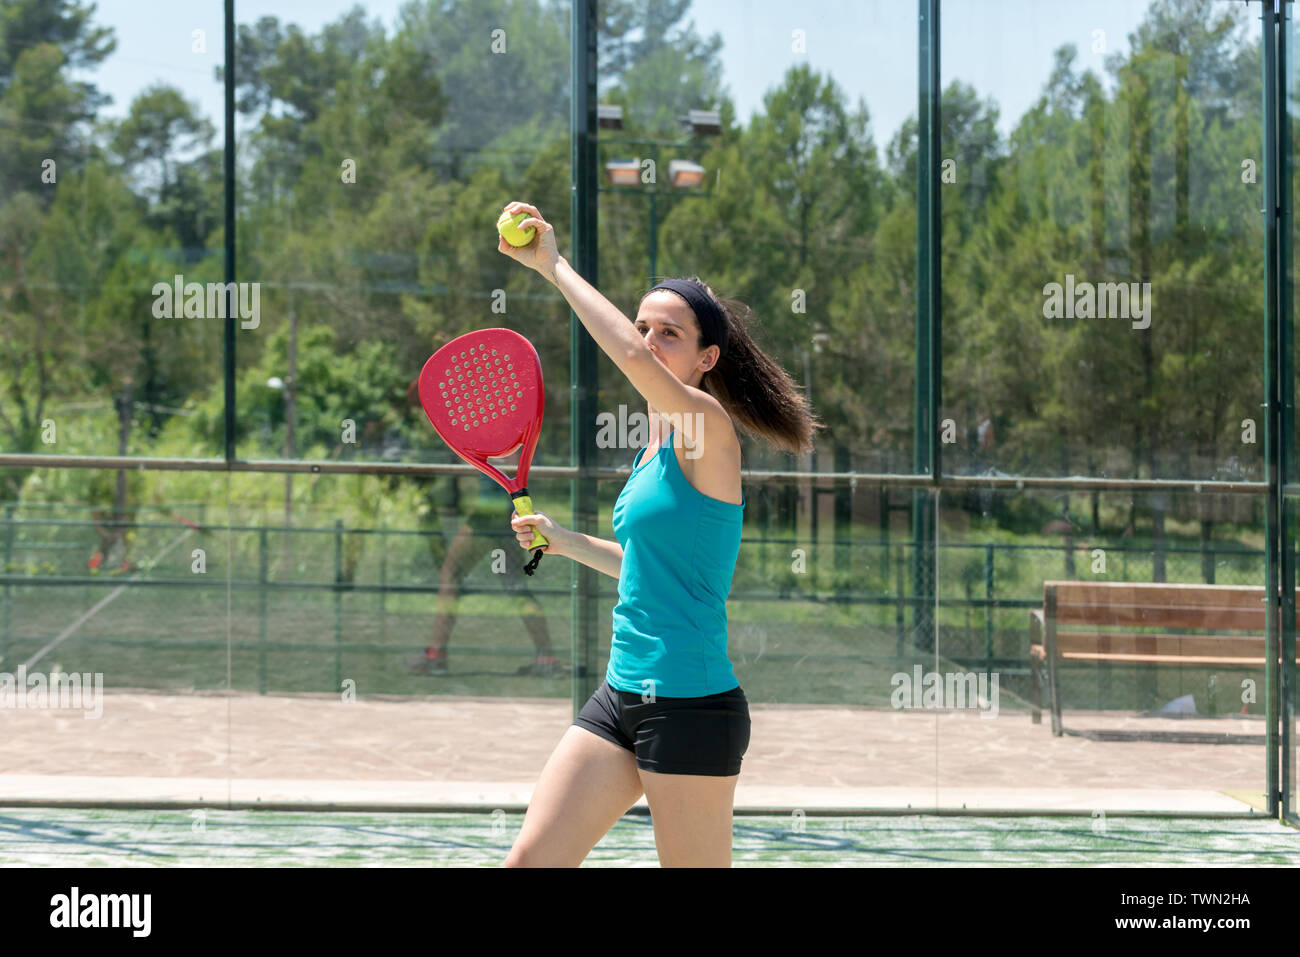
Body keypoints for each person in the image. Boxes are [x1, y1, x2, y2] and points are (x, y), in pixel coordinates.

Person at [495, 200, 820, 867]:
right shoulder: (655, 444)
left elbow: (623, 354)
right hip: (621, 695)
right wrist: (564, 539)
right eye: (642, 325)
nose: (646, 339)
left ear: (708, 358)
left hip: (691, 706)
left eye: (667, 333)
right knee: (529, 861)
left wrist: (553, 265)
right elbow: (649, 564)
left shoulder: (707, 428)